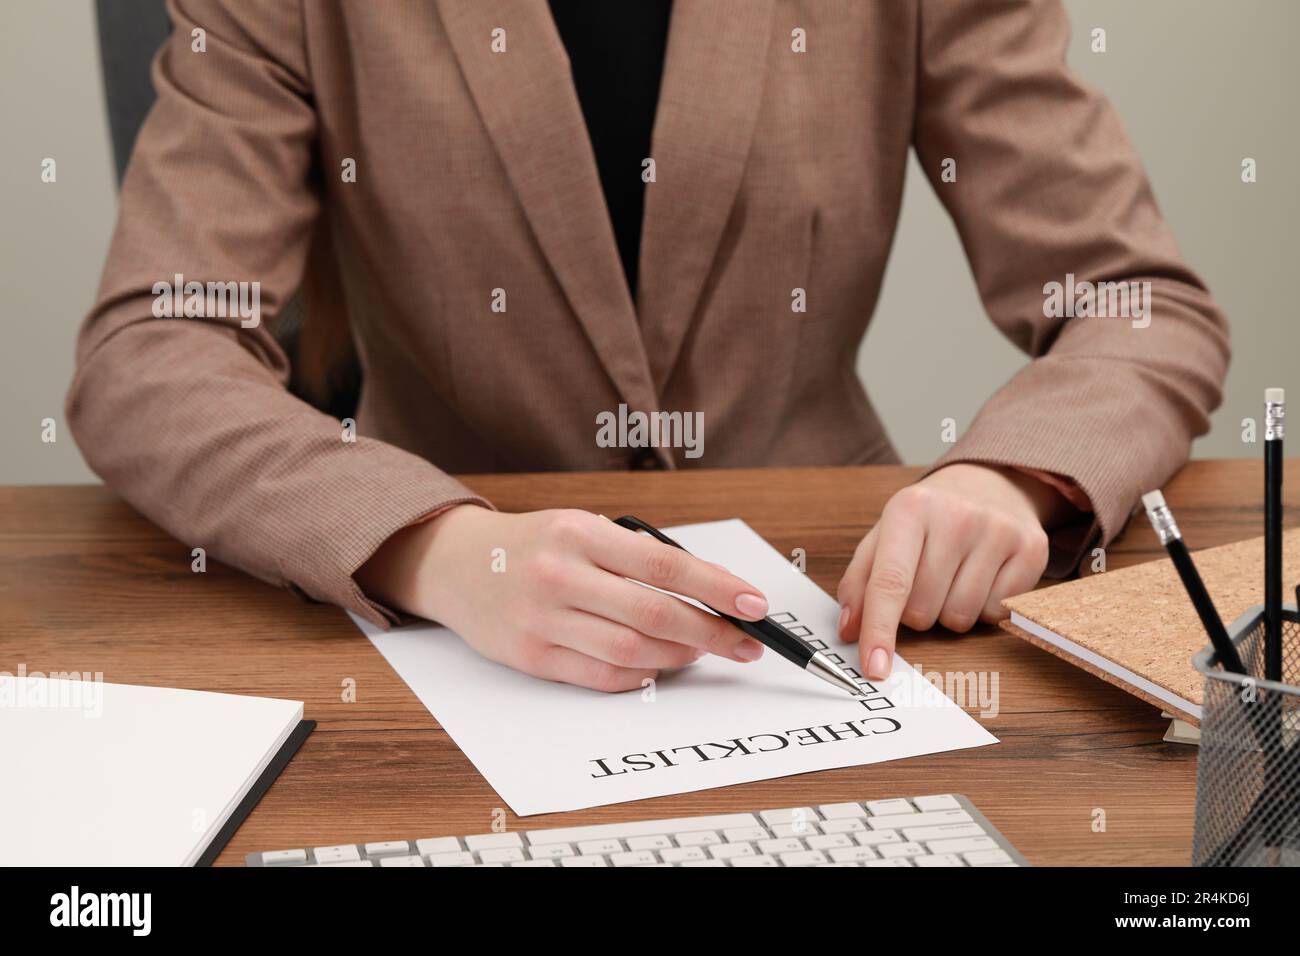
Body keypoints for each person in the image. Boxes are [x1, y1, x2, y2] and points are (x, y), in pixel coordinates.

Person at [68, 0, 1229, 691]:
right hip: (447, 630)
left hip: (840, 604)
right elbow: (153, 346)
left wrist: (1010, 477)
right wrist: (432, 547)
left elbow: (1135, 299)